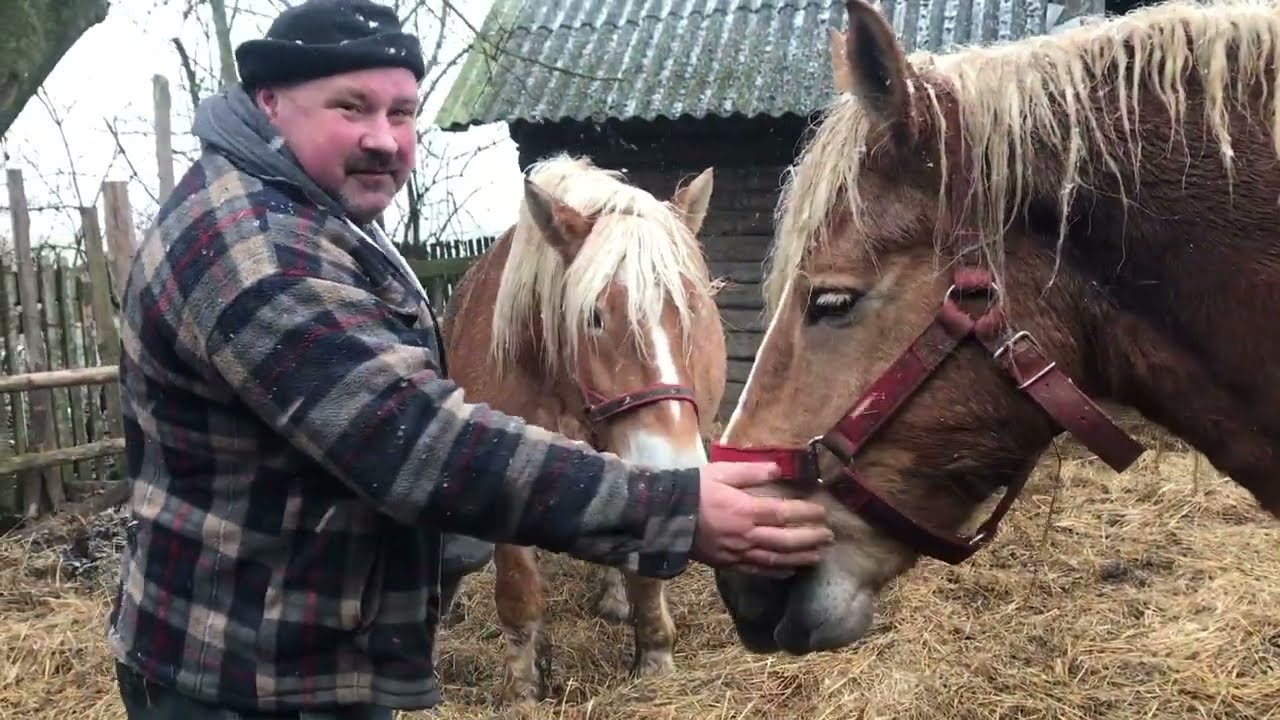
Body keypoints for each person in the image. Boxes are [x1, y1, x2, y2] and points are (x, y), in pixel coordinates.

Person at [105, 1, 833, 718]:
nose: (385, 139)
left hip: (300, 643)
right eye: (351, 108)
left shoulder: (310, 212)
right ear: (269, 104)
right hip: (240, 669)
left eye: (402, 112)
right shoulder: (258, 252)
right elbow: (411, 442)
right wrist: (671, 509)